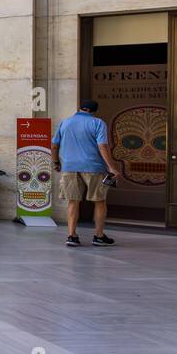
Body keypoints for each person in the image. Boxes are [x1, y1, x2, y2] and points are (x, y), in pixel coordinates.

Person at [53, 99, 122, 248]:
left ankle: (72, 236)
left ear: (79, 108)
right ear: (93, 111)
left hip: (69, 167)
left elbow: (54, 145)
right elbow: (102, 146)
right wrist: (111, 167)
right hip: (94, 167)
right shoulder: (98, 123)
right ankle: (98, 236)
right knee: (99, 201)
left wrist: (56, 163)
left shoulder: (65, 122)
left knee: (73, 201)